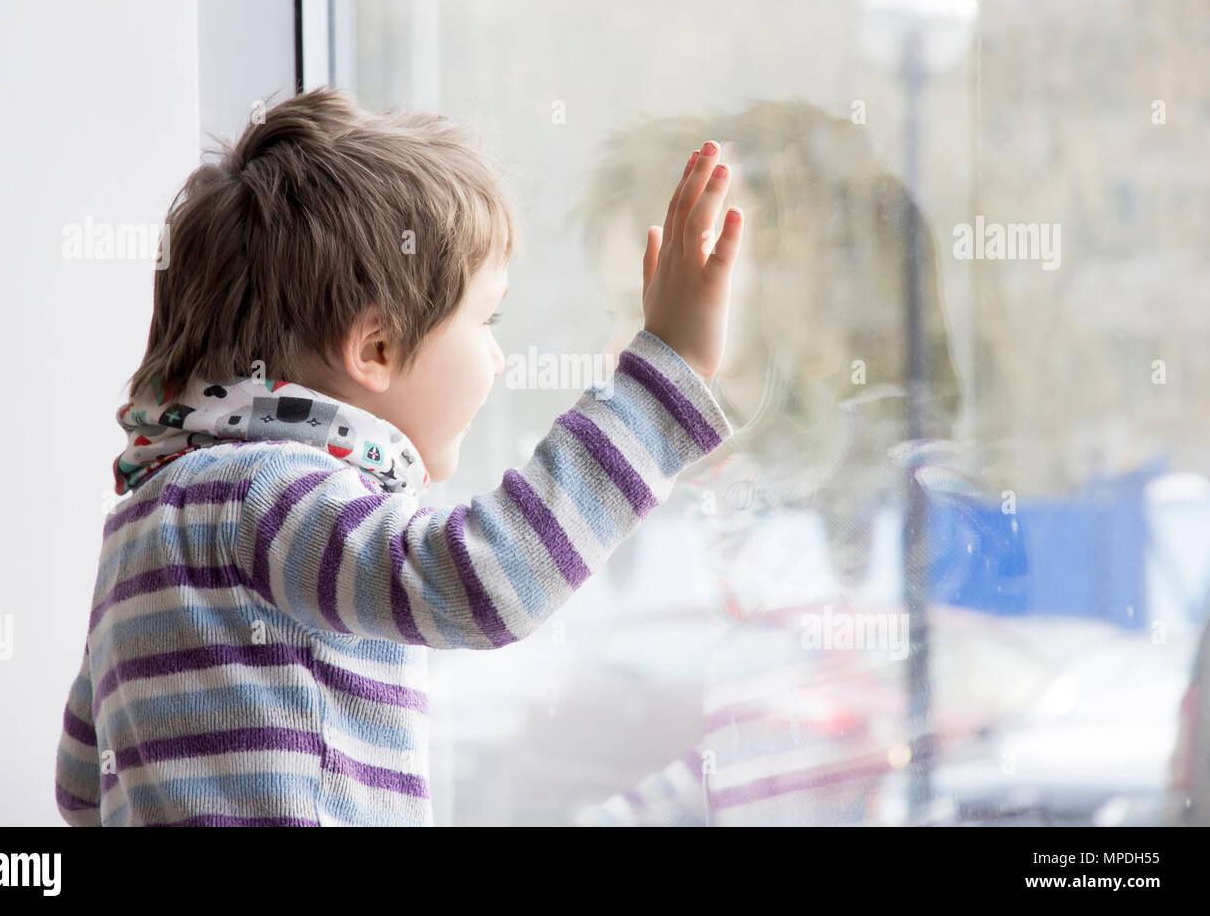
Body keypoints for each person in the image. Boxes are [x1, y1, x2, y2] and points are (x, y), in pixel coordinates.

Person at [53, 88, 744, 826]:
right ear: (377, 348)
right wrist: (654, 385)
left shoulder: (137, 527)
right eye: (487, 318)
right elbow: (485, 577)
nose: (498, 356)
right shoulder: (270, 494)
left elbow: (81, 787)